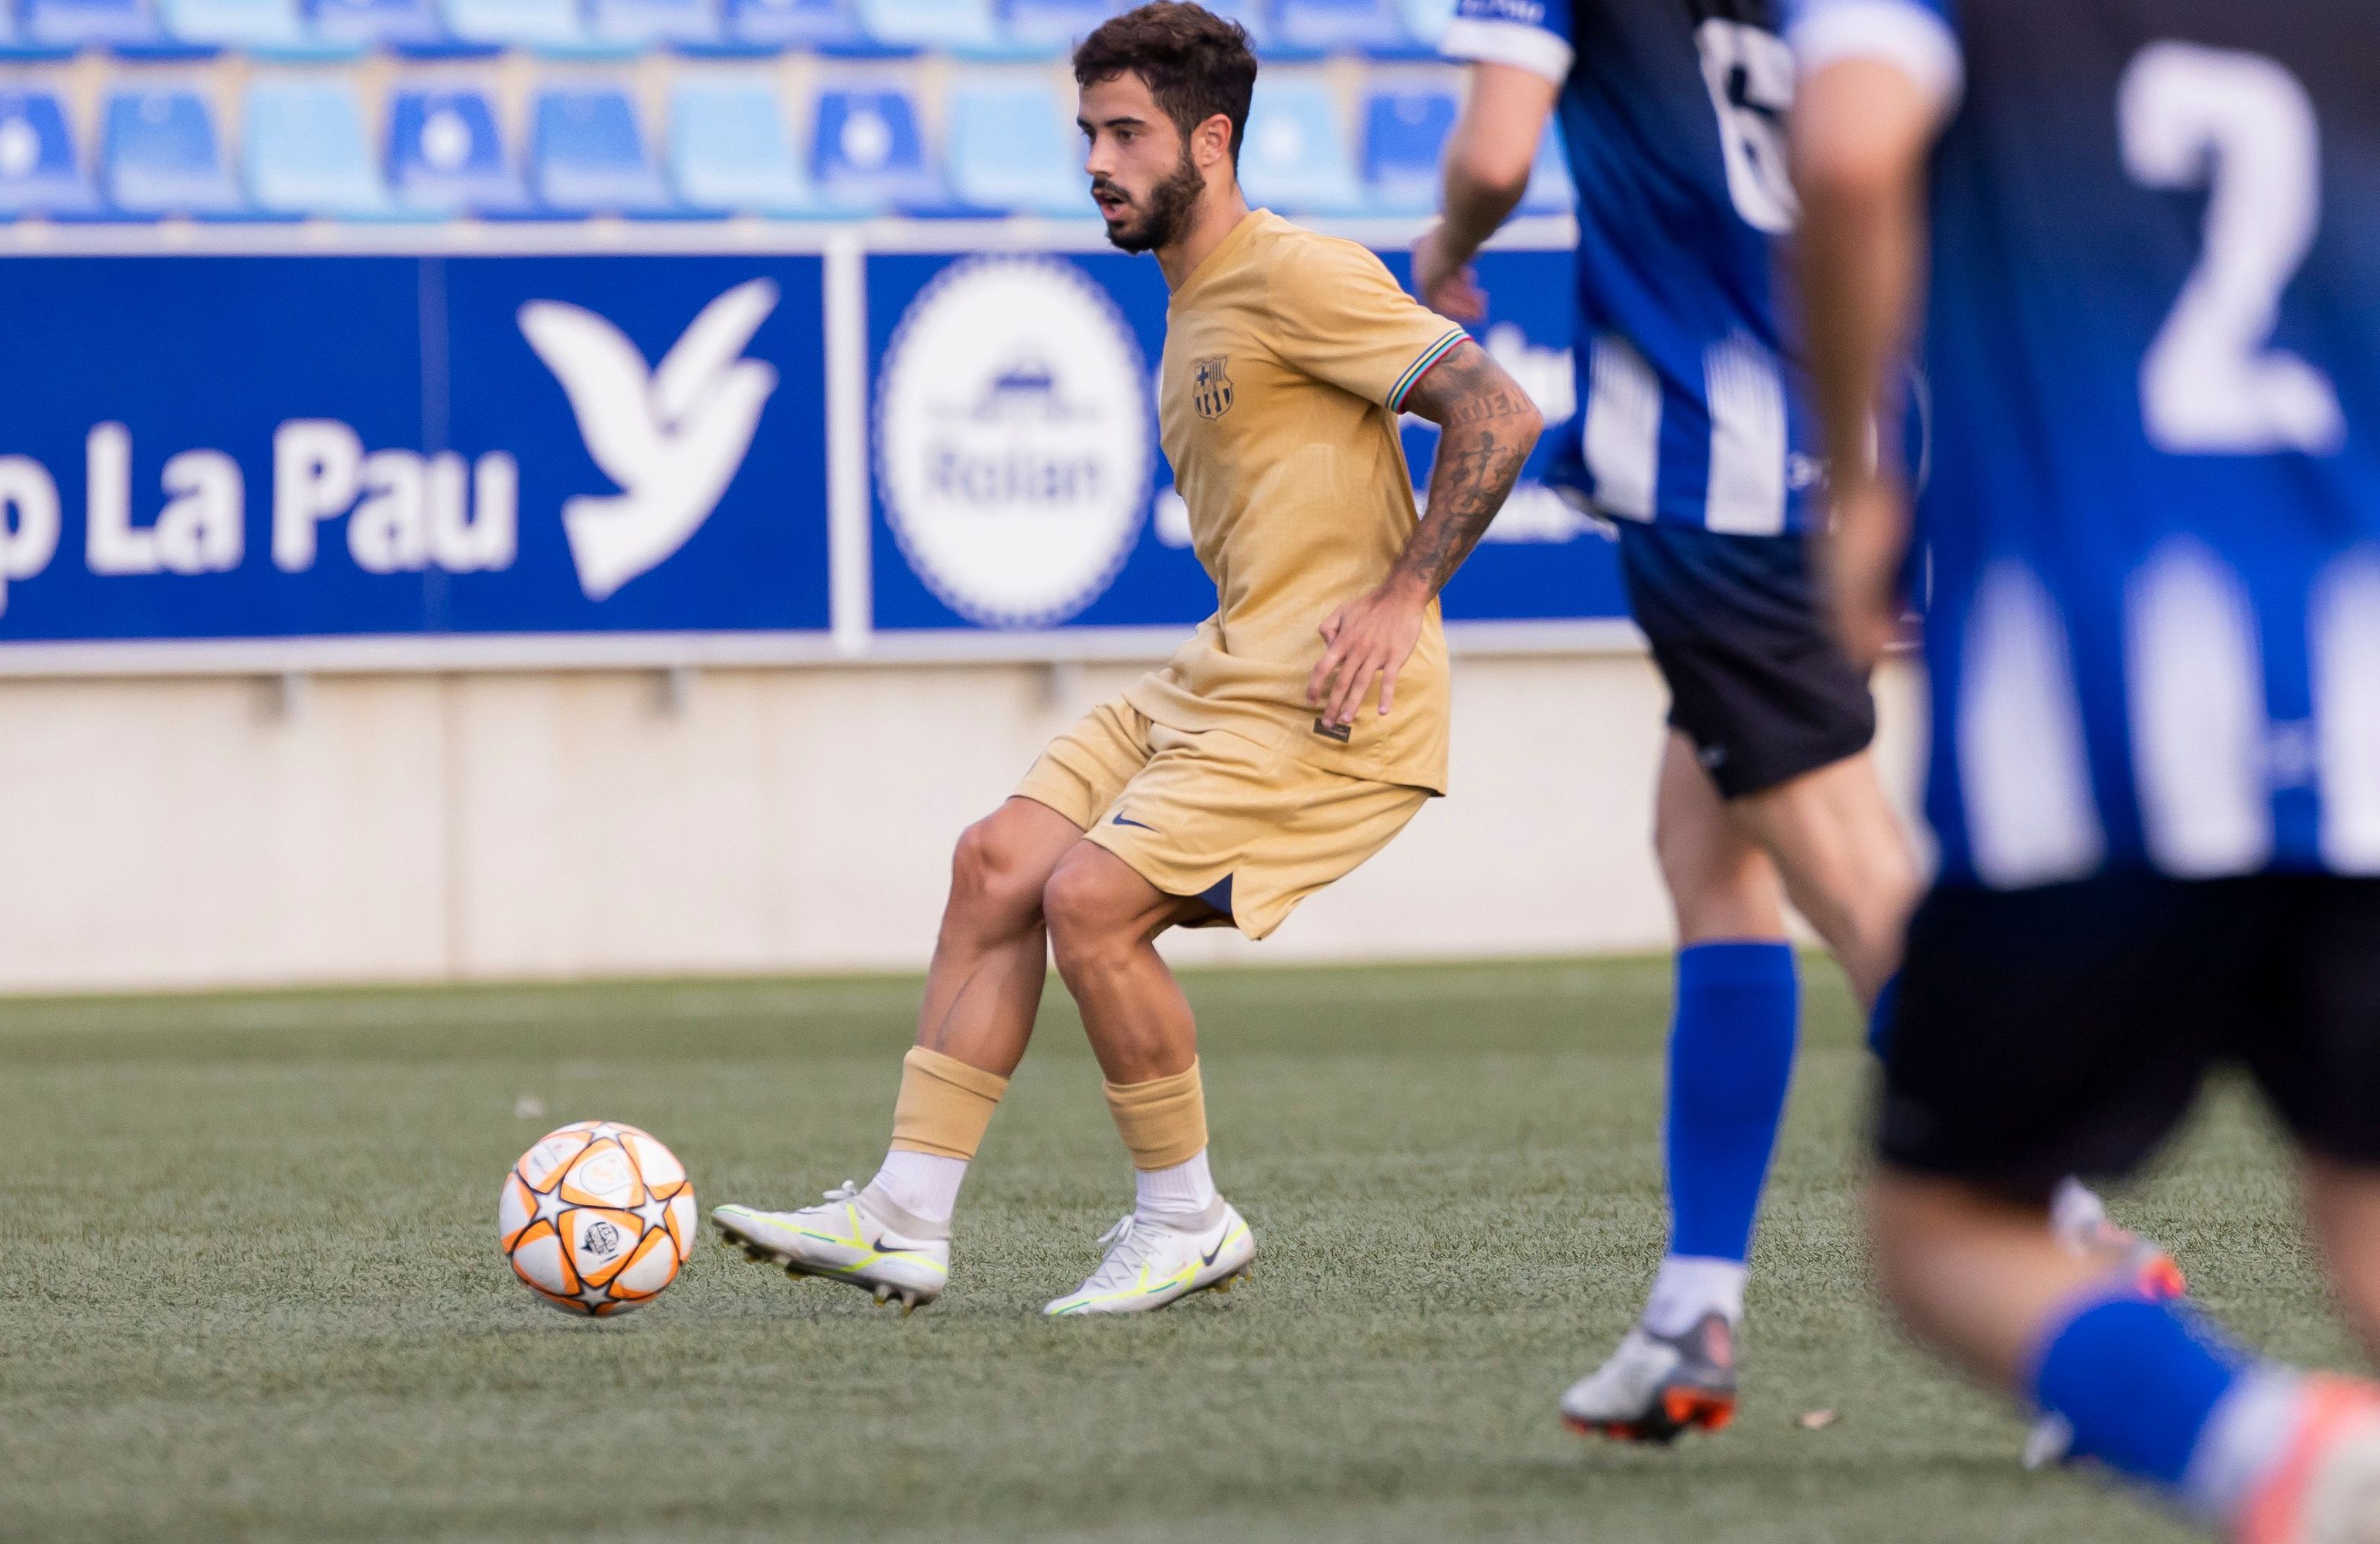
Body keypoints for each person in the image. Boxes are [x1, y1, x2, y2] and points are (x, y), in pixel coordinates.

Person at [709, 2, 1542, 1318]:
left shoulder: (1296, 272)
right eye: (1088, 131)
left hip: (1330, 701)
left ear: (1211, 141)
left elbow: (1499, 410)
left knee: (1091, 901)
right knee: (998, 861)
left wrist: (1403, 596)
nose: (1097, 160)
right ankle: (903, 1216)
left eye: (1127, 133)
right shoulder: (1192, 303)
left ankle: (1185, 1219)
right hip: (1213, 680)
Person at [1791, 0, 2380, 1536]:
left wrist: (1860, 486)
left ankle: (2256, 1448)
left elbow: (1850, 149)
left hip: (2083, 717)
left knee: (1946, 1222)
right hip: (2359, 673)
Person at [1419, 0, 1925, 1441]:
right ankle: (1690, 1308)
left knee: (1849, 869)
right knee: (1712, 853)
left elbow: (1501, 147)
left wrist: (1450, 246)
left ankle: (2077, 1253)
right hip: (1863, 458)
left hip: (1716, 477)